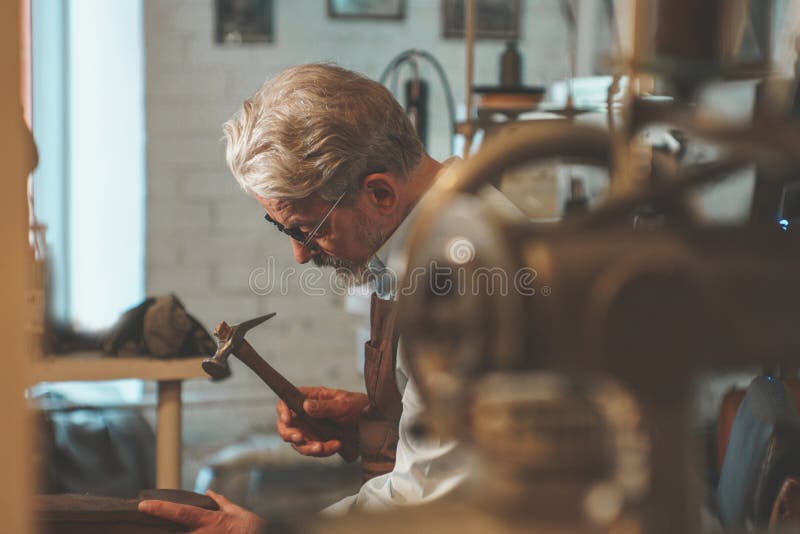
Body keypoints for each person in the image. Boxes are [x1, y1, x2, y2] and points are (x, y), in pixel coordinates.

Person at [139, 63, 465, 533]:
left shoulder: (451, 277)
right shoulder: (416, 240)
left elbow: (426, 504)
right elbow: (470, 438)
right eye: (286, 231)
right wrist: (373, 421)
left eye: (308, 230)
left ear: (380, 193)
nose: (300, 255)